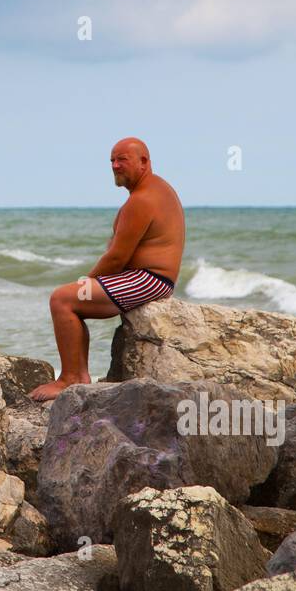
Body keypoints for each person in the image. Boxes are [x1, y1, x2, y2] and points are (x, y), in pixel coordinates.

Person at [28, 137, 184, 402]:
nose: (114, 165)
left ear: (144, 162)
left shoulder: (143, 199)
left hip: (149, 279)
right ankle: (78, 376)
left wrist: (85, 283)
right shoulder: (151, 191)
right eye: (112, 160)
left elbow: (116, 259)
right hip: (148, 277)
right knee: (71, 300)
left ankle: (69, 378)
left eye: (122, 159)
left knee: (62, 299)